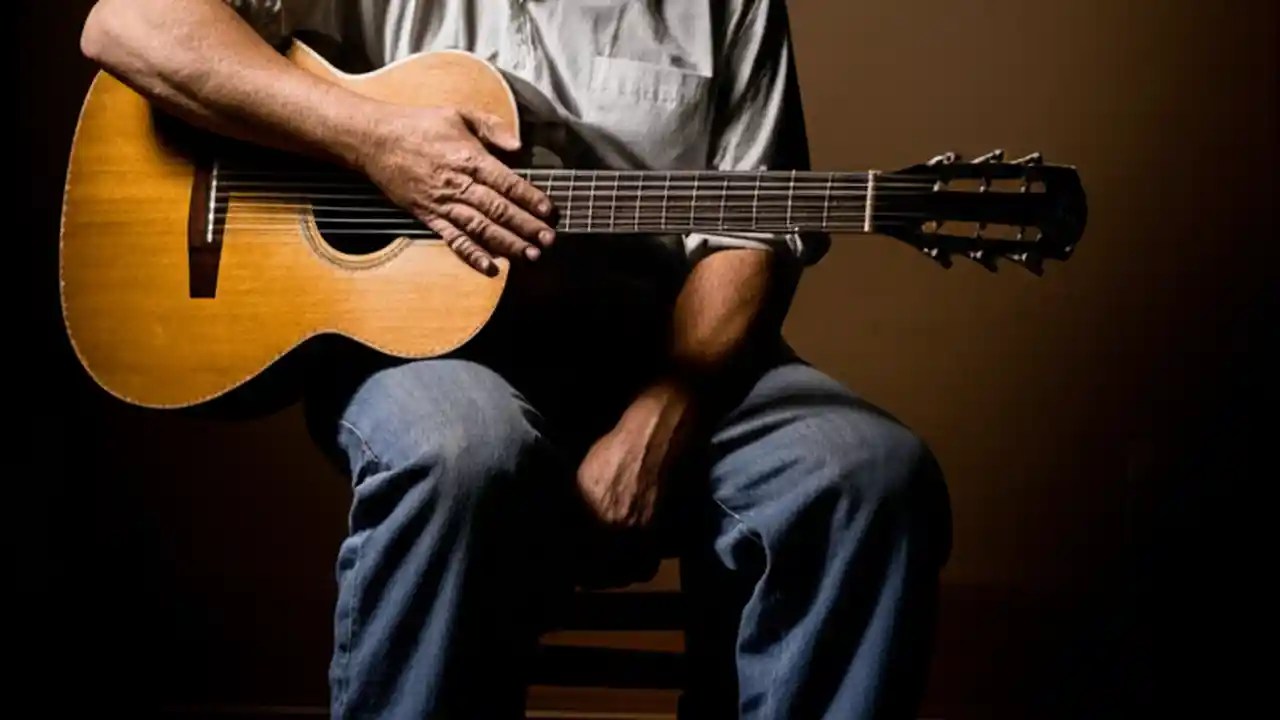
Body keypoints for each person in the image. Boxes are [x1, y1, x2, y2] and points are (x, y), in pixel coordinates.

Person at [79, 1, 952, 718]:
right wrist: (373, 140)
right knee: (460, 450)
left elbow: (751, 230)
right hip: (420, 347)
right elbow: (129, 23)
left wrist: (661, 419)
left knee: (870, 472)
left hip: (665, 349)